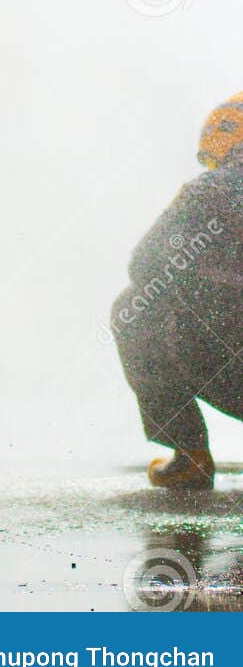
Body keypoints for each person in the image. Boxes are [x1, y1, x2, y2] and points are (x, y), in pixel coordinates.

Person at [111, 93, 243, 490]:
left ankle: (190, 457)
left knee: (134, 308)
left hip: (226, 361)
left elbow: (145, 264)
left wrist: (201, 290)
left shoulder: (210, 190)